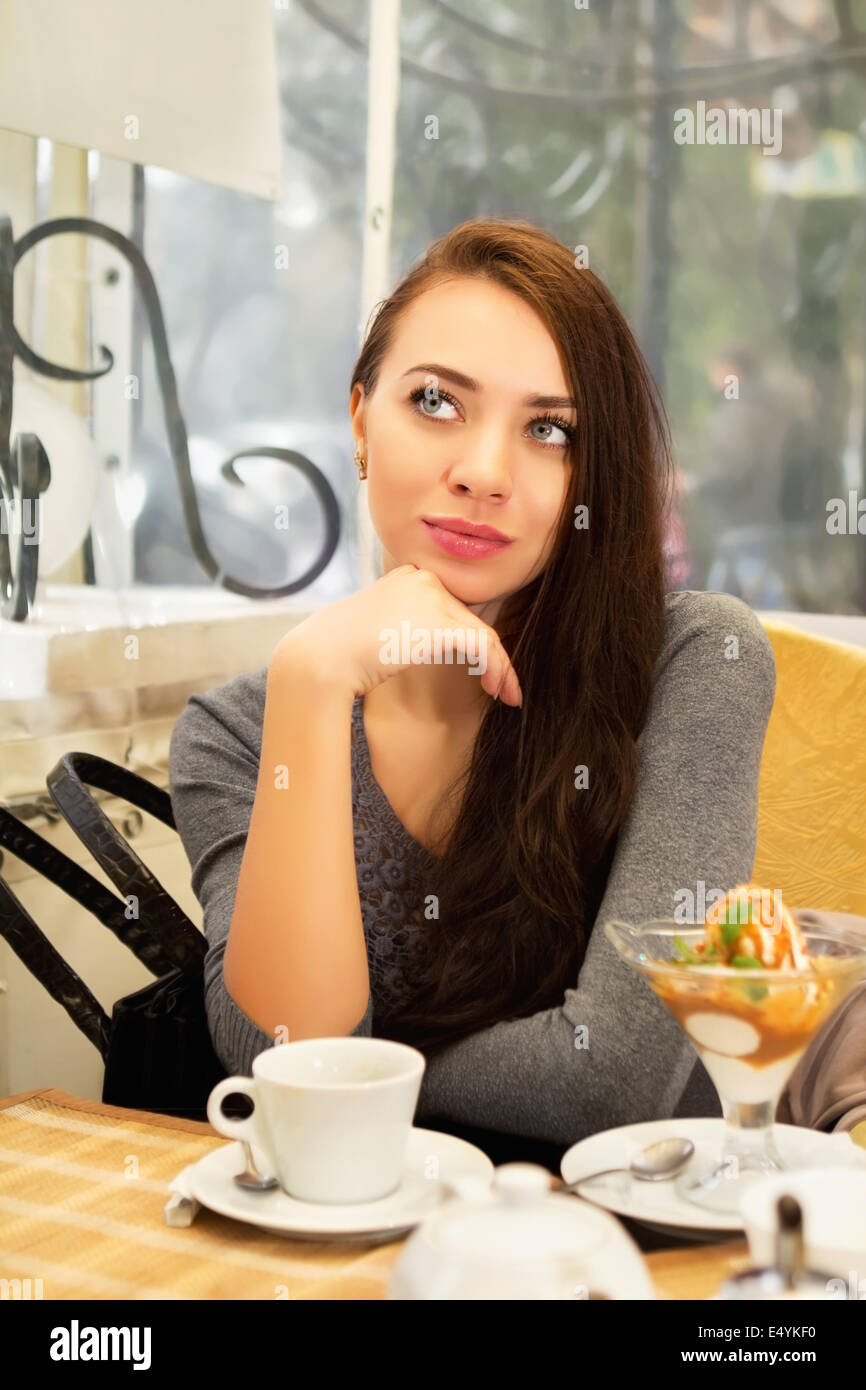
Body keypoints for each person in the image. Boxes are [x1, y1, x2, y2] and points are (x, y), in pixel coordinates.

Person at [169, 217, 777, 1167]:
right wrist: (313, 683)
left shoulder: (694, 661)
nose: (485, 474)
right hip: (360, 1230)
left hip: (635, 1237)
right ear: (361, 419)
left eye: (548, 429)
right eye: (437, 402)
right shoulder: (237, 732)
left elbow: (611, 1080)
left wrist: (353, 1076)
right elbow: (276, 1052)